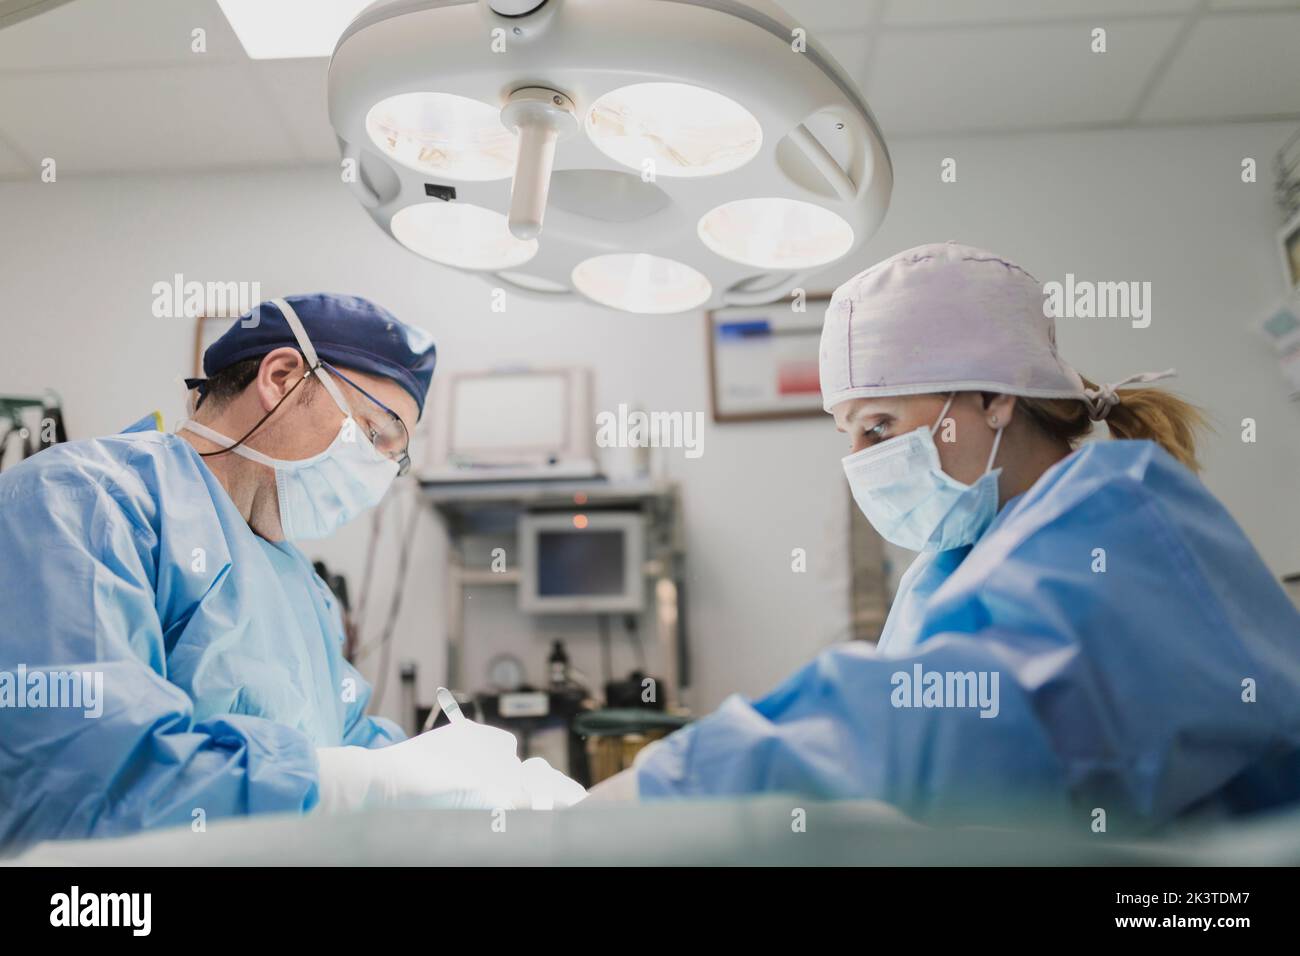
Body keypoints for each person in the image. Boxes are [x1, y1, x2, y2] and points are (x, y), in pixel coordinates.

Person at [588, 242, 1300, 832]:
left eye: (879, 426)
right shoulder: (957, 562)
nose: (864, 462)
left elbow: (975, 716)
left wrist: (686, 780)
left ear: (993, 398)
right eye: (850, 435)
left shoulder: (1118, 513)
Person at [0, 294, 580, 854]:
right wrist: (365, 786)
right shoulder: (84, 502)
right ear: (280, 377)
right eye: (375, 433)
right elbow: (79, 787)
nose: (377, 472)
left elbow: (348, 744)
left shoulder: (301, 587)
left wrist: (469, 775)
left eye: (393, 457)